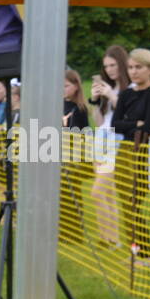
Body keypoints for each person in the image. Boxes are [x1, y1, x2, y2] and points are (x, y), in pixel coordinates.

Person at [112, 48, 150, 268]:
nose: (134, 72)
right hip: (124, 151)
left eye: (139, 67)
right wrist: (135, 124)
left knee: (134, 203)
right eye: (131, 68)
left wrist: (136, 125)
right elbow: (116, 125)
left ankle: (147, 255)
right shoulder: (126, 94)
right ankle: (135, 252)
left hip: (143, 154)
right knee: (126, 204)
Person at [87, 45, 130, 247]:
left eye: (113, 65)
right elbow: (99, 121)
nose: (110, 70)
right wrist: (96, 100)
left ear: (122, 63)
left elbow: (129, 114)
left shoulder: (130, 88)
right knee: (108, 194)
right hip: (101, 142)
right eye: (107, 66)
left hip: (118, 145)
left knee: (96, 192)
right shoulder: (108, 87)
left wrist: (112, 96)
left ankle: (110, 238)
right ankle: (110, 238)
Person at [59, 69, 90, 245]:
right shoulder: (61, 104)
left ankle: (75, 233)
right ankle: (64, 230)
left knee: (72, 193)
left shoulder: (79, 109)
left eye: (66, 86)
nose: (62, 89)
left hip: (75, 157)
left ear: (76, 86)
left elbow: (81, 135)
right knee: (62, 194)